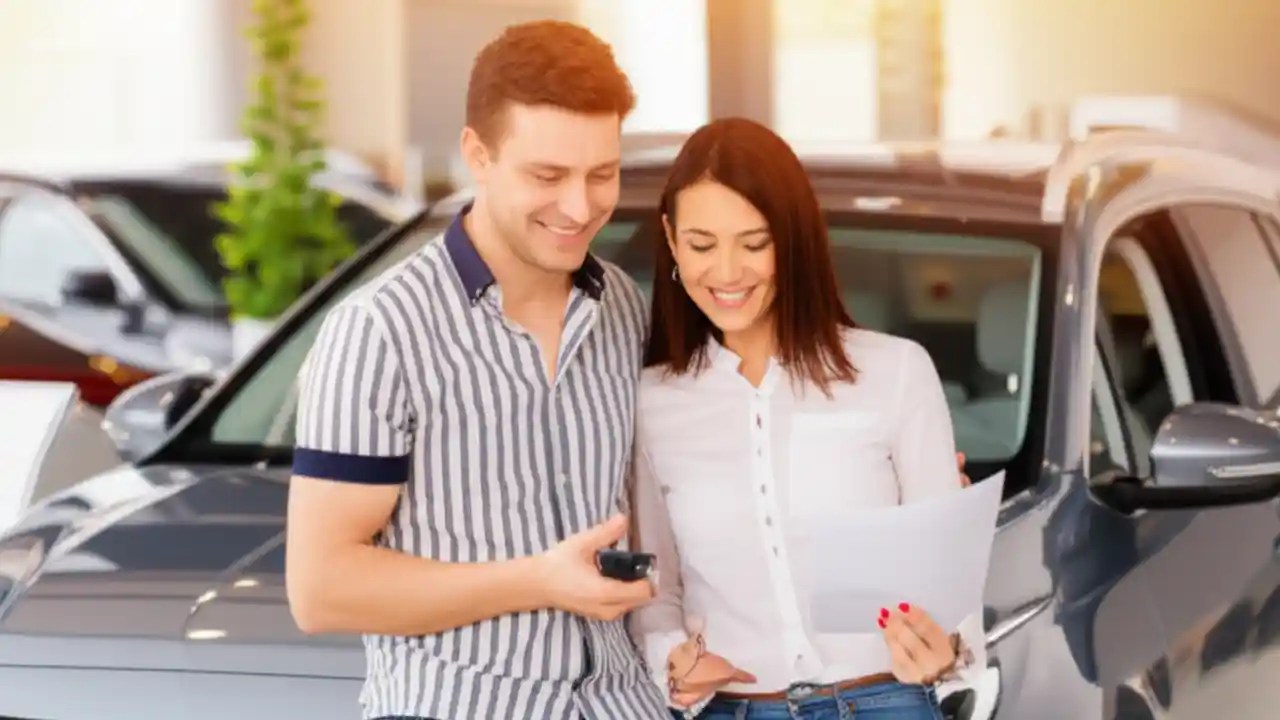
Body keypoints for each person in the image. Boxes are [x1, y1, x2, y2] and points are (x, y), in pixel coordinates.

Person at [284, 20, 672, 720]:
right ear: (477, 155)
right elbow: (321, 590)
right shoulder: (380, 331)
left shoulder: (621, 305)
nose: (581, 208)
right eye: (548, 176)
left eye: (602, 174)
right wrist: (539, 582)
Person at [627, 117, 987, 719]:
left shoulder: (895, 374)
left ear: (791, 238)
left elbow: (950, 590)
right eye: (701, 243)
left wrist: (946, 649)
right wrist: (673, 659)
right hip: (732, 709)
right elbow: (657, 591)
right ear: (669, 238)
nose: (727, 272)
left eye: (754, 242)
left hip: (886, 703)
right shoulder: (651, 403)